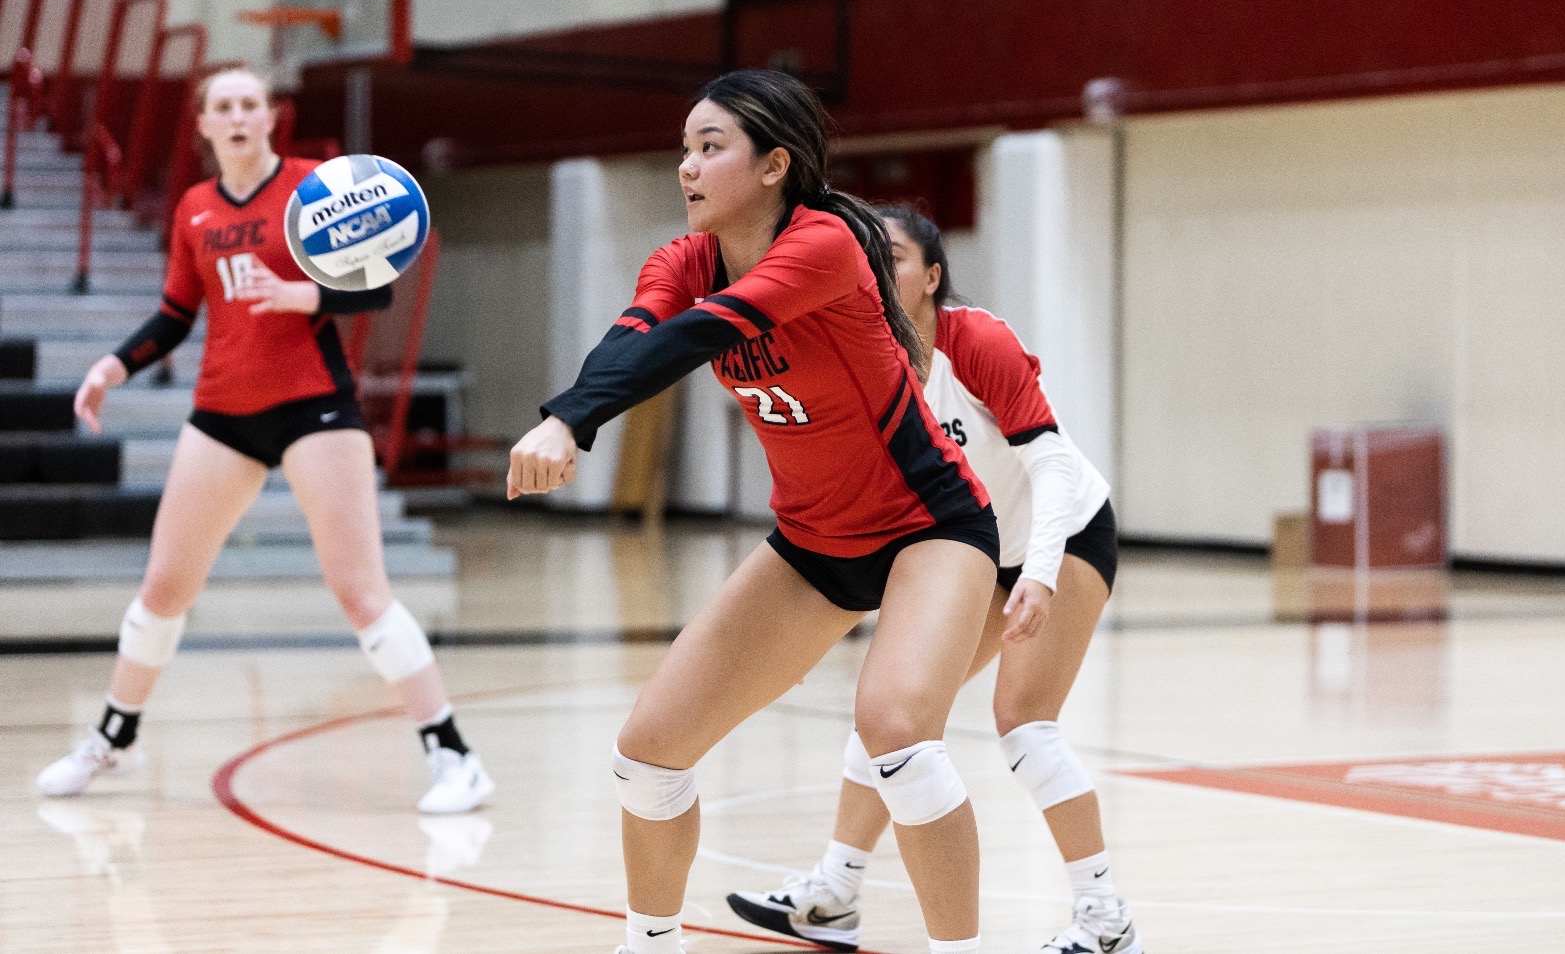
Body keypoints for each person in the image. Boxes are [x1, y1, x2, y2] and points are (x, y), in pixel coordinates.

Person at [507, 70, 998, 954]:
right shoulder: (681, 260)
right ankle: (652, 945)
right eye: (683, 151)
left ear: (775, 165)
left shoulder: (823, 248)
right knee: (648, 753)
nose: (687, 168)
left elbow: (698, 337)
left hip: (930, 526)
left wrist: (572, 421)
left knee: (896, 736)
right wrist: (568, 410)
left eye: (710, 148)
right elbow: (635, 338)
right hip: (813, 542)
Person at [34, 67, 493, 815]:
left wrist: (304, 294)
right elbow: (177, 314)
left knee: (359, 591)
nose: (240, 115)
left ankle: (455, 757)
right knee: (164, 587)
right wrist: (111, 367)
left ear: (271, 117)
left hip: (314, 407)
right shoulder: (194, 209)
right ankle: (114, 737)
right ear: (204, 126)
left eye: (251, 103)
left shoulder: (317, 188)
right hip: (221, 413)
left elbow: (376, 284)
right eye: (224, 106)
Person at [727, 205, 1139, 954]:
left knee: (1025, 724)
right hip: (976, 550)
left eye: (896, 257)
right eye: (867, 258)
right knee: (895, 718)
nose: (879, 272)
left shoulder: (974, 339)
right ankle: (835, 893)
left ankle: (1106, 919)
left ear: (933, 277)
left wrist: (1040, 575)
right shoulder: (863, 351)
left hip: (1065, 532)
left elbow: (1048, 462)